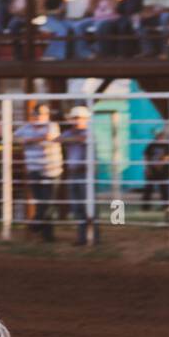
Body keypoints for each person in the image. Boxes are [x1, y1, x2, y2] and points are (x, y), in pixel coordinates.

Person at [16, 103, 62, 241]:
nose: (38, 117)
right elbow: (15, 138)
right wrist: (34, 139)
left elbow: (50, 137)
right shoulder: (26, 127)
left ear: (47, 115)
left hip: (51, 171)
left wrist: (28, 140)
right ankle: (47, 236)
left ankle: (36, 223)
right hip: (34, 170)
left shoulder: (52, 125)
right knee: (41, 202)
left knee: (47, 202)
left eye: (41, 114)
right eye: (36, 114)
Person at [60, 105, 91, 244]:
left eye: (80, 118)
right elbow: (56, 140)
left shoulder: (89, 133)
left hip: (86, 174)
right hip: (73, 173)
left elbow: (83, 139)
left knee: (88, 206)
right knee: (77, 206)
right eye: (75, 118)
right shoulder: (69, 133)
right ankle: (82, 237)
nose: (77, 121)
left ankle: (91, 236)